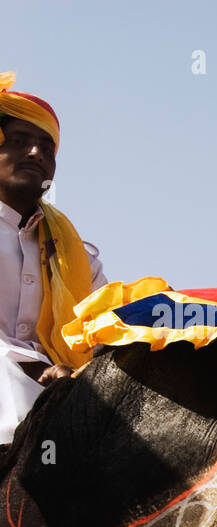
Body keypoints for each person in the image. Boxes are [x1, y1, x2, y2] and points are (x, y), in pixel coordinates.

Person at [0, 73, 105, 444]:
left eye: (47, 148)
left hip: (59, 390)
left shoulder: (74, 252)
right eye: (20, 142)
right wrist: (28, 369)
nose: (36, 154)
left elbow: (100, 330)